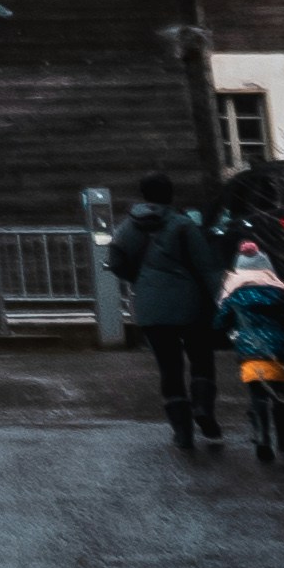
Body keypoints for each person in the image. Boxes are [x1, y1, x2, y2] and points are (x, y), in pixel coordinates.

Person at [106, 176, 238, 450]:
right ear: (171, 195)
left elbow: (116, 262)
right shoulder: (183, 225)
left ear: (144, 195)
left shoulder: (127, 227)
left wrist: (140, 279)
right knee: (201, 359)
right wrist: (223, 300)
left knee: (169, 367)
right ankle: (203, 409)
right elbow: (207, 268)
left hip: (151, 308)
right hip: (191, 305)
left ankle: (182, 432)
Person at [218, 226, 284, 469]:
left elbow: (219, 323)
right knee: (280, 394)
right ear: (268, 268)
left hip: (249, 353)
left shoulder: (234, 296)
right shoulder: (282, 295)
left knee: (257, 396)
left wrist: (228, 332)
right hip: (276, 353)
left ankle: (262, 439)